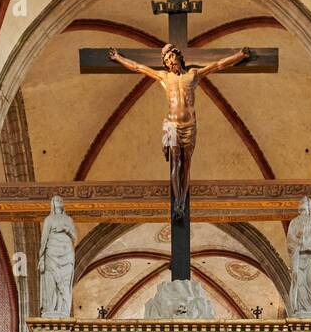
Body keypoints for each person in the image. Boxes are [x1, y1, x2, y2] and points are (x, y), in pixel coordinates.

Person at [108, 43, 252, 220]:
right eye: (166, 60)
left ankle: (182, 201)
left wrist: (239, 55)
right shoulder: (163, 76)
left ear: (178, 56)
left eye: (171, 57)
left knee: (186, 163)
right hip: (171, 125)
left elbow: (217, 65)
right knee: (175, 162)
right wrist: (118, 58)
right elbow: (139, 67)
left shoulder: (193, 75)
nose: (169, 61)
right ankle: (177, 202)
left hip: (189, 125)